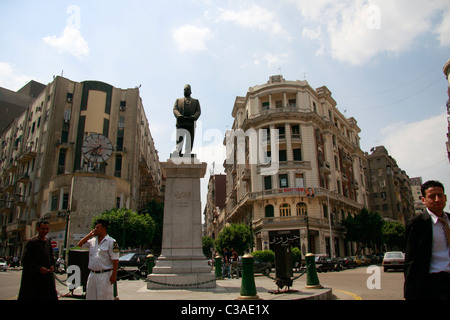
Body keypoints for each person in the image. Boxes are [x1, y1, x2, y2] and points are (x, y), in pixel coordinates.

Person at [404, 180, 450, 300]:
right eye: (431, 196)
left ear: (445, 197)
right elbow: (411, 260)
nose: (437, 200)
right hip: (432, 283)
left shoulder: (448, 220)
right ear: (423, 200)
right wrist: (409, 293)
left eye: (440, 195)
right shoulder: (417, 224)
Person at [77, 219, 119, 300]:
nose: (95, 229)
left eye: (97, 227)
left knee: (104, 297)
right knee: (90, 297)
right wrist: (89, 235)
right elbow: (79, 244)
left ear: (104, 228)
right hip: (92, 274)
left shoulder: (111, 242)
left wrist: (114, 274)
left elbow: (115, 259)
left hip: (104, 274)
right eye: (95, 227)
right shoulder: (92, 241)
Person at [18, 220, 58, 300]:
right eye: (43, 229)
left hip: (46, 279)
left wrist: (52, 266)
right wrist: (38, 268)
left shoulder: (48, 242)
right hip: (34, 280)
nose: (45, 231)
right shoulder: (32, 242)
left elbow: (51, 257)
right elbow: (26, 260)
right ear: (38, 229)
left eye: (47, 229)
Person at [173, 84, 201, 156]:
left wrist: (194, 116)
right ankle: (178, 151)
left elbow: (198, 111)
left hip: (191, 122)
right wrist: (179, 115)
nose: (186, 90)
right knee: (180, 137)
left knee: (189, 138)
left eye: (187, 89)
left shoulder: (196, 101)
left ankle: (187, 152)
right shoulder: (178, 100)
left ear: (190, 91)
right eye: (184, 89)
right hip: (181, 122)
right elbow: (175, 109)